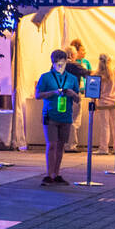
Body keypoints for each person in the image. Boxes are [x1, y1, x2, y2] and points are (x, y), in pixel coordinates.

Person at [36, 49, 81, 185]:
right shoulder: (45, 77)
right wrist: (53, 92)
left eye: (62, 61)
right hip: (50, 115)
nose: (60, 64)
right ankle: (49, 174)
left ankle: (57, 173)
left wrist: (72, 93)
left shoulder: (72, 79)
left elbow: (78, 99)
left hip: (66, 116)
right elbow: (38, 95)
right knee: (52, 145)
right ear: (53, 62)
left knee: (61, 146)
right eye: (57, 62)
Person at [93, 53, 115, 156]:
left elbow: (94, 90)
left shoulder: (96, 74)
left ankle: (104, 148)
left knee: (104, 126)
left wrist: (93, 101)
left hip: (103, 102)